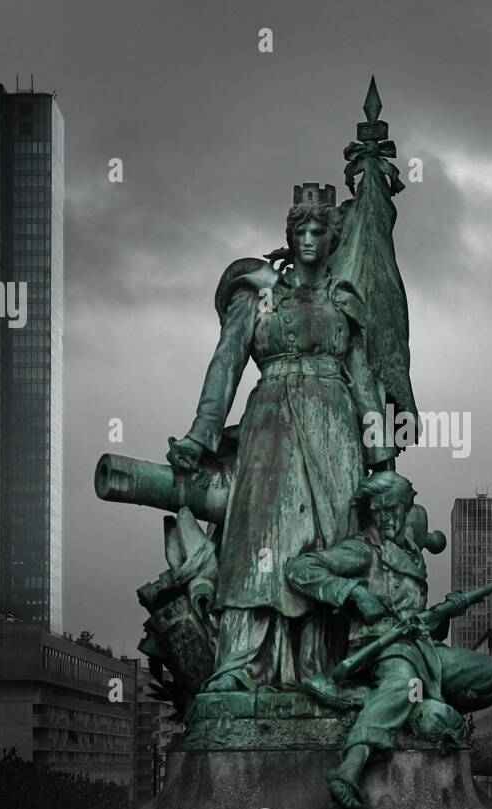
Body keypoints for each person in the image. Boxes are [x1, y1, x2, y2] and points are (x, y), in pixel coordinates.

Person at [166, 184, 394, 691]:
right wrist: (200, 436)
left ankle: (318, 669)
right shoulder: (260, 296)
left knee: (325, 544)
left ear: (332, 239)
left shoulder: (343, 300)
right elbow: (225, 365)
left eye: (318, 231)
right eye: (300, 231)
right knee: (257, 543)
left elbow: (363, 383)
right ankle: (243, 665)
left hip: (334, 430)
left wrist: (382, 462)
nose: (309, 239)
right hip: (269, 424)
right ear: (288, 236)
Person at [284, 471, 492, 809]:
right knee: (404, 684)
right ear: (370, 512)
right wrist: (354, 594)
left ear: (407, 510)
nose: (390, 518)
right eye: (382, 511)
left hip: (426, 652)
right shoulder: (362, 552)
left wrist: (445, 613)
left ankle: (423, 714)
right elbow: (300, 569)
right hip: (382, 649)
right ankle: (352, 765)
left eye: (397, 510)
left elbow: (430, 631)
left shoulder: (412, 557)